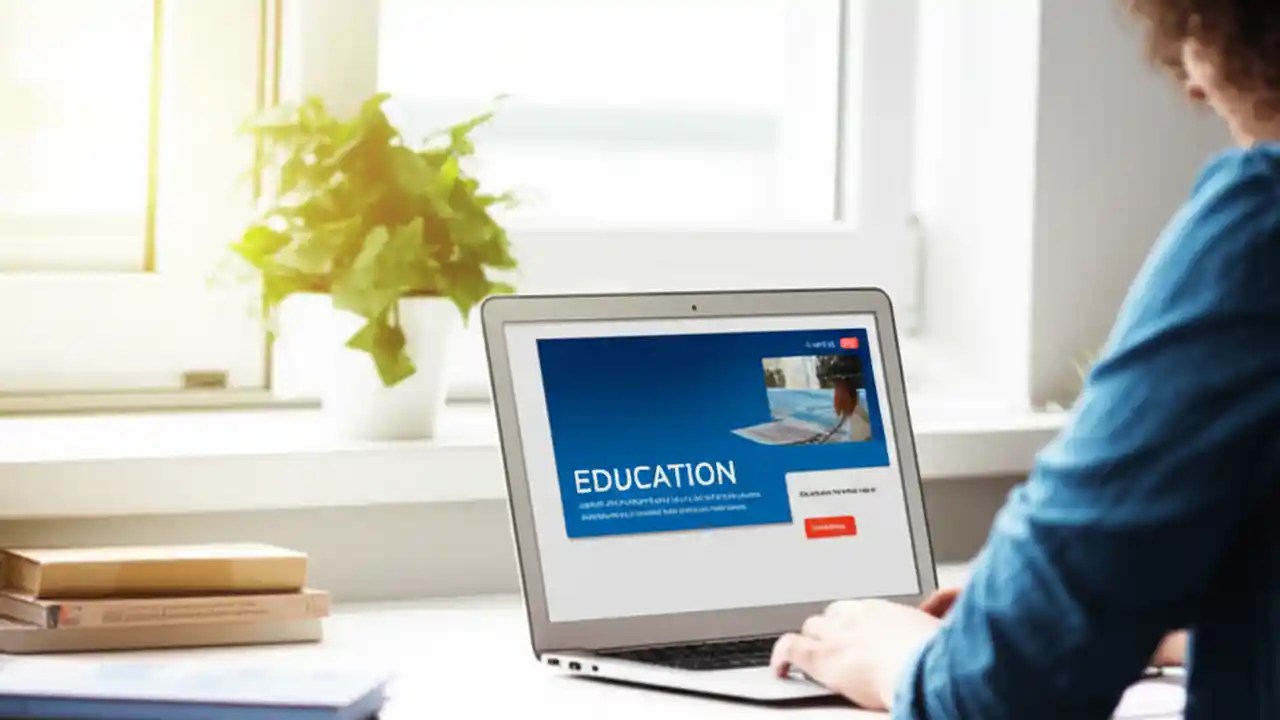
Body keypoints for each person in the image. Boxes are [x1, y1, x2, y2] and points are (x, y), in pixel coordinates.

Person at [770, 2, 1280, 718]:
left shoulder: (1261, 232)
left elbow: (1004, 689)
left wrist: (897, 657)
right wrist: (1177, 629)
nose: (1191, 82)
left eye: (1191, 26)